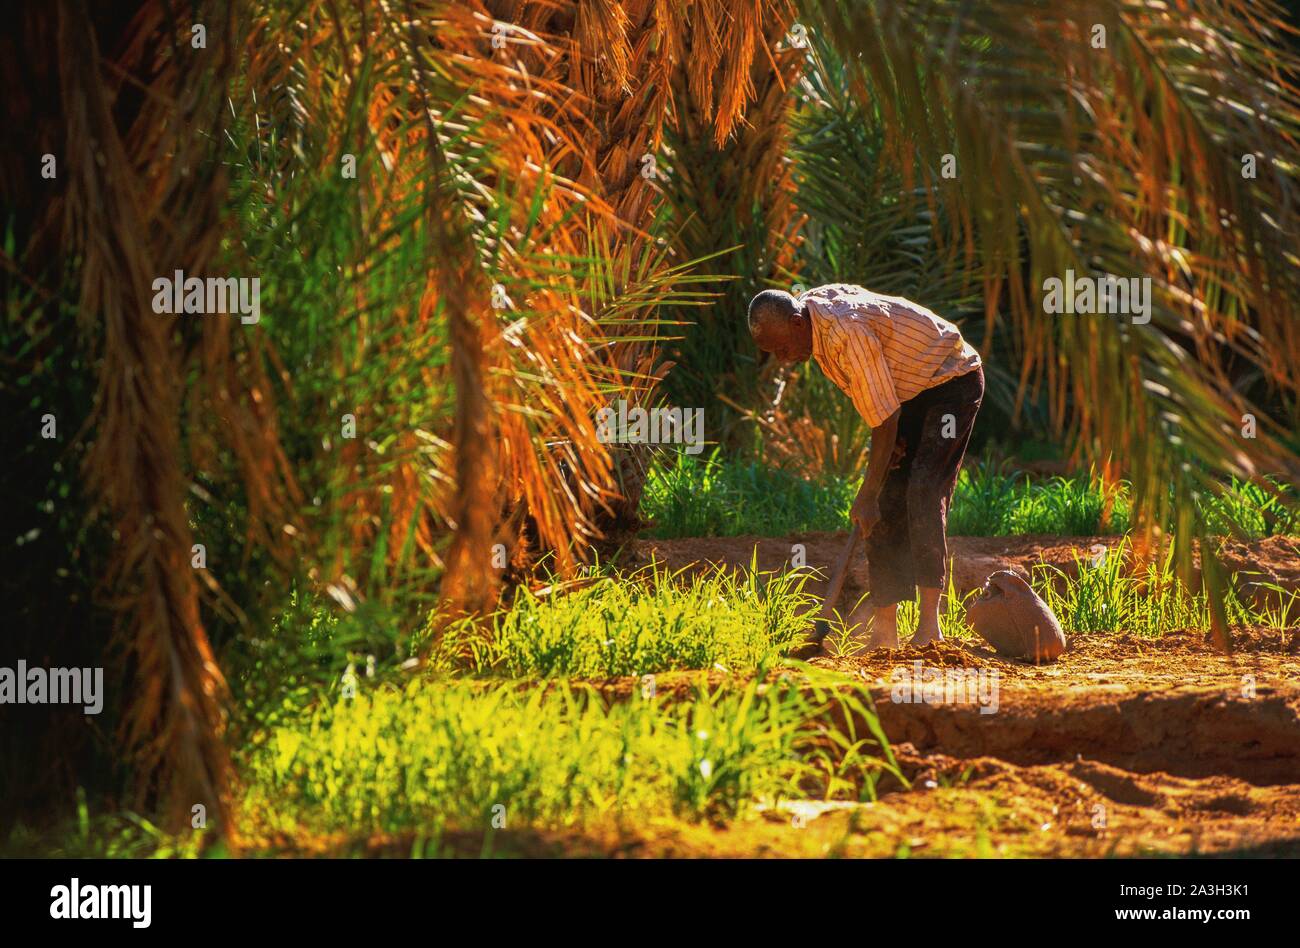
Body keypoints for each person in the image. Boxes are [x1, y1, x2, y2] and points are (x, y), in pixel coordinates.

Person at [748, 284, 984, 647]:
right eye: (772, 353)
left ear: (797, 324)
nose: (781, 358)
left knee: (922, 489)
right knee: (885, 500)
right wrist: (877, 487)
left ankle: (928, 629)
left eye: (781, 349)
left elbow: (885, 421)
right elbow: (883, 412)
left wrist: (866, 493)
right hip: (907, 392)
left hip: (951, 379)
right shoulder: (810, 320)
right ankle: (885, 632)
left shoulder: (846, 332)